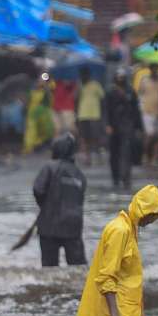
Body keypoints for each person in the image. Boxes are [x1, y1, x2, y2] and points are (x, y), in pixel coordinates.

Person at [75, 185, 158, 316]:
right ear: (142, 209)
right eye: (152, 214)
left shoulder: (129, 229)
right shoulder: (120, 231)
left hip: (128, 312)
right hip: (120, 314)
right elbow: (107, 276)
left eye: (156, 216)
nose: (152, 220)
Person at [32, 132, 87, 267]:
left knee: (49, 270)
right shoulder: (80, 174)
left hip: (48, 226)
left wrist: (44, 207)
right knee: (78, 269)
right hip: (73, 227)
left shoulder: (49, 167)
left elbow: (38, 190)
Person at [103, 71, 143, 189]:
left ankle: (126, 177)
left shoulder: (130, 91)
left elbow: (136, 110)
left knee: (127, 153)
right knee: (114, 153)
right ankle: (115, 178)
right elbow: (105, 109)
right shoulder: (110, 92)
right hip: (114, 125)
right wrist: (107, 125)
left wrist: (139, 127)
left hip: (127, 125)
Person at [138, 63, 158, 167]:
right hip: (147, 111)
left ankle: (155, 158)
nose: (155, 70)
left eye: (157, 69)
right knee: (149, 135)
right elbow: (140, 94)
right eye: (153, 68)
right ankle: (145, 155)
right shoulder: (144, 81)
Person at [76, 67, 105, 165]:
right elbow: (76, 98)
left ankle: (98, 155)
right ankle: (87, 157)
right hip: (83, 114)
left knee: (95, 136)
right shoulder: (79, 85)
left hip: (94, 114)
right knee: (85, 137)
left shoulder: (95, 84)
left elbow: (102, 97)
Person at [22, 74, 54, 154]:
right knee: (31, 131)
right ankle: (29, 148)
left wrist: (46, 86)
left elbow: (51, 99)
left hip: (44, 114)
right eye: (39, 80)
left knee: (47, 131)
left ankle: (37, 143)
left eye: (42, 80)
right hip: (32, 114)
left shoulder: (48, 89)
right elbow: (26, 102)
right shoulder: (32, 91)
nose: (40, 82)